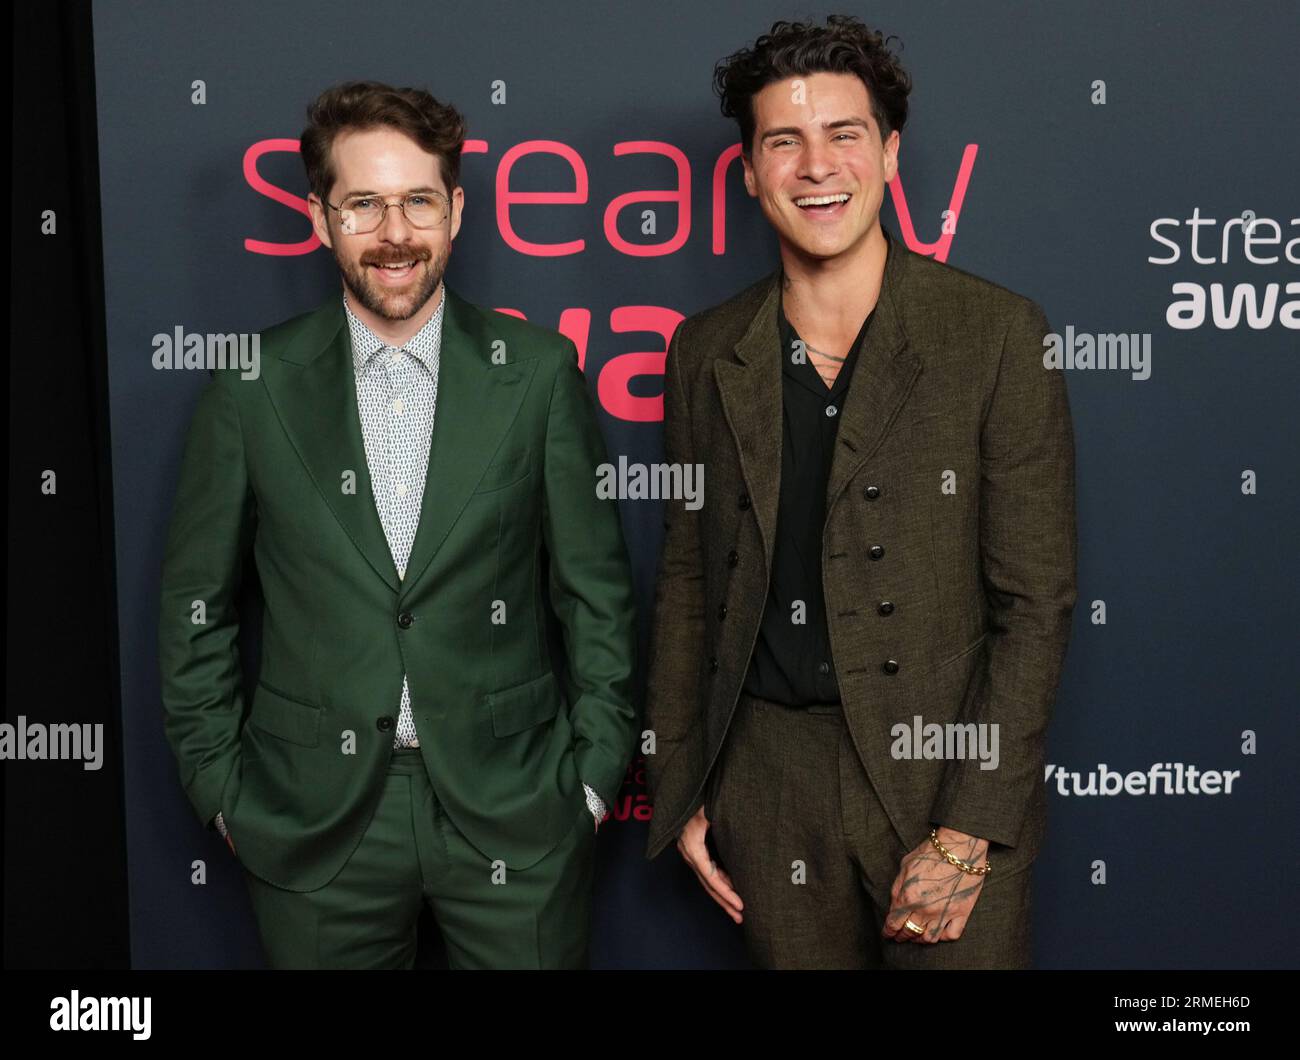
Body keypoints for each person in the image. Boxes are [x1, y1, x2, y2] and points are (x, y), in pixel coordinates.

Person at [159, 80, 637, 969]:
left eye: (418, 200)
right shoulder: (248, 388)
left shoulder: (536, 376)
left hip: (517, 813)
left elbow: (597, 596)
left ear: (455, 211)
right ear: (319, 217)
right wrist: (221, 789)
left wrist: (592, 785)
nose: (394, 233)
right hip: (313, 820)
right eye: (363, 204)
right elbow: (198, 609)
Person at [643, 17, 1078, 969]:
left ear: (887, 154)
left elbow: (1033, 606)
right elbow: (686, 581)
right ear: (750, 172)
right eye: (782, 142)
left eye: (843, 134)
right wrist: (681, 779)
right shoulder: (705, 350)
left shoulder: (996, 334)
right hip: (767, 779)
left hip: (946, 778)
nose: (815, 166)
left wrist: (970, 830)